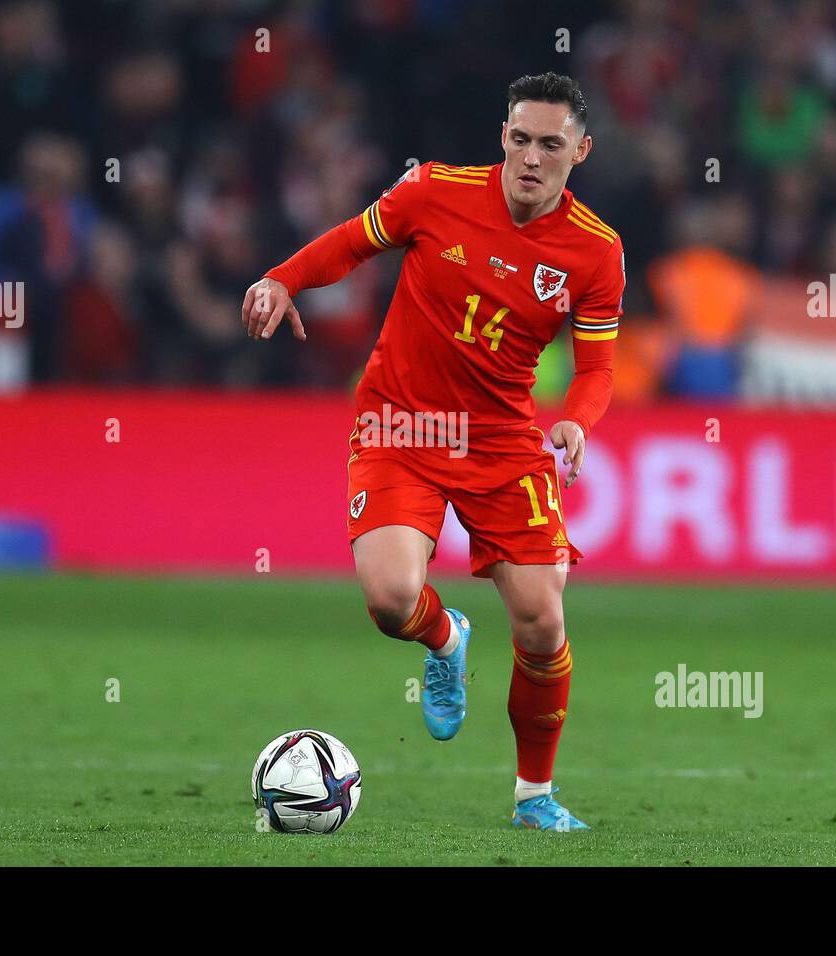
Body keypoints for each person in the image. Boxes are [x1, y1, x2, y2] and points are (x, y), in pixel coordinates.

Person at [241, 73, 623, 831]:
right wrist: (283, 279)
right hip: (401, 426)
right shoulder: (432, 191)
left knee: (544, 622)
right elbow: (351, 244)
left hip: (504, 442)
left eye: (551, 144)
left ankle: (534, 797)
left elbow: (599, 367)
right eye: (520, 139)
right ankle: (446, 639)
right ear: (503, 138)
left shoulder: (595, 252)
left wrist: (576, 423)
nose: (531, 158)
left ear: (580, 151)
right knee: (388, 602)